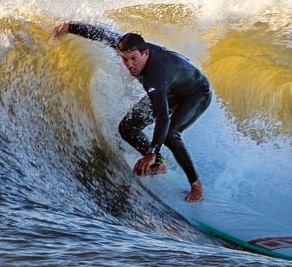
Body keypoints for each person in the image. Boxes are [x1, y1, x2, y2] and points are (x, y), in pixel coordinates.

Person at [52, 20, 212, 203]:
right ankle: (158, 165)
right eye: (124, 59)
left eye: (134, 58)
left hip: (195, 93)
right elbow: (101, 34)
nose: (129, 64)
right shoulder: (128, 47)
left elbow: (162, 116)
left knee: (170, 135)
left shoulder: (154, 77)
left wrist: (151, 152)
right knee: (127, 127)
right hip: (171, 88)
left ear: (146, 53)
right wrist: (69, 26)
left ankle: (196, 185)